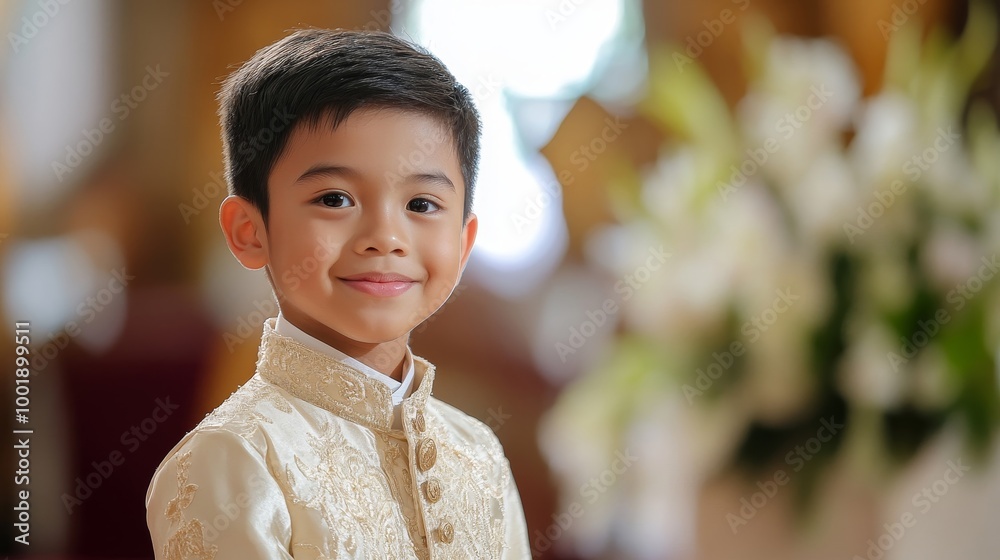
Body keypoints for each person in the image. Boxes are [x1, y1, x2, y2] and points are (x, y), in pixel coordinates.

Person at [145, 28, 530, 559]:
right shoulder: (235, 457)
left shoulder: (479, 452)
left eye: (421, 204)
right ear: (249, 230)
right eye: (335, 198)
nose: (386, 239)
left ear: (464, 242)